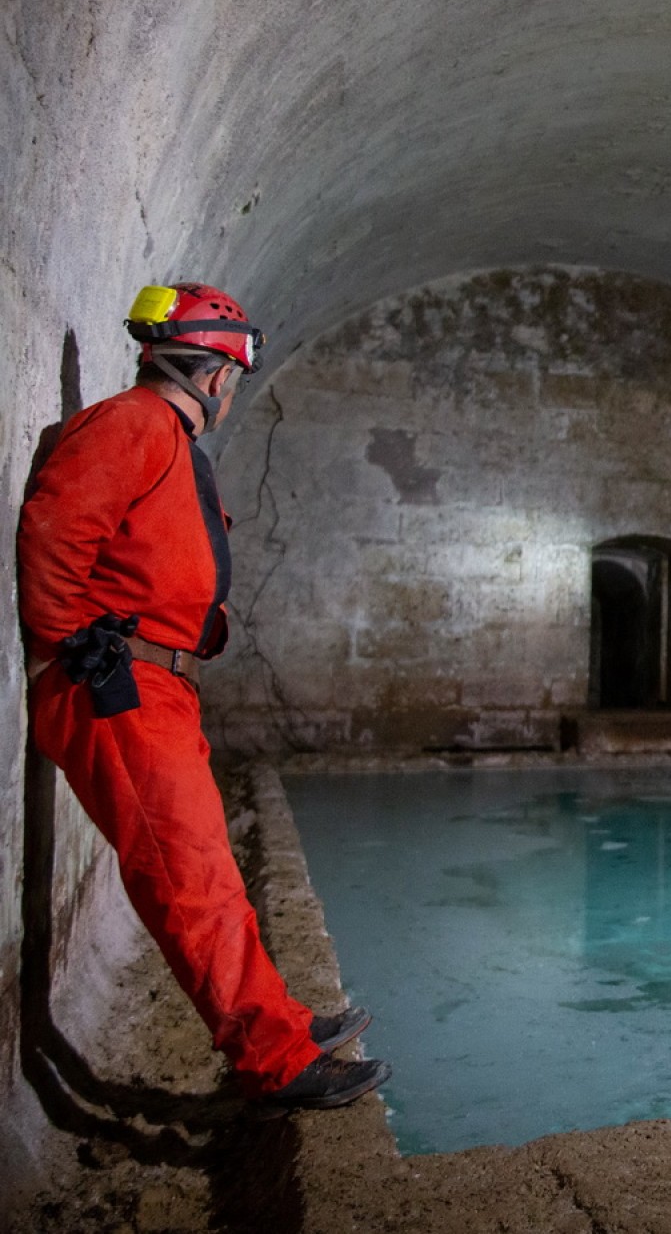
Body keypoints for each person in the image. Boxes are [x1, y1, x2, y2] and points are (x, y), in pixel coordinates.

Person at [18, 283, 389, 1112]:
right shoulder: (134, 425)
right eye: (233, 368)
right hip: (119, 683)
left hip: (154, 682)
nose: (231, 386)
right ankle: (277, 1060)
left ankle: (284, 1020)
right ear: (213, 369)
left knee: (210, 869)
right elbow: (53, 533)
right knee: (187, 875)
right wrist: (76, 651)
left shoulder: (166, 438)